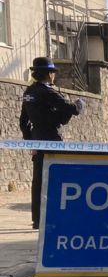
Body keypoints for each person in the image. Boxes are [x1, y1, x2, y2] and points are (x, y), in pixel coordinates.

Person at [20, 56, 83, 229]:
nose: (53, 76)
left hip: (37, 139)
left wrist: (30, 142)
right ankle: (55, 216)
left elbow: (23, 121)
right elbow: (69, 109)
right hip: (52, 140)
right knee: (57, 178)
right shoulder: (48, 92)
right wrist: (79, 104)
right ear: (49, 74)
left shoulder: (29, 92)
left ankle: (37, 219)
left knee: (38, 181)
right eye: (52, 73)